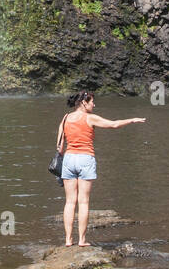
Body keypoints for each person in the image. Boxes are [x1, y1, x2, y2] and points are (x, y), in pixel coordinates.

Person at [54, 91, 146, 248]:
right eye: (91, 102)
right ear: (84, 102)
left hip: (69, 159)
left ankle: (68, 240)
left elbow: (59, 146)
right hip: (85, 159)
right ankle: (82, 240)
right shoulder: (90, 118)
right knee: (83, 202)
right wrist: (132, 120)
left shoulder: (65, 118)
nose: (94, 105)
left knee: (69, 202)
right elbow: (114, 124)